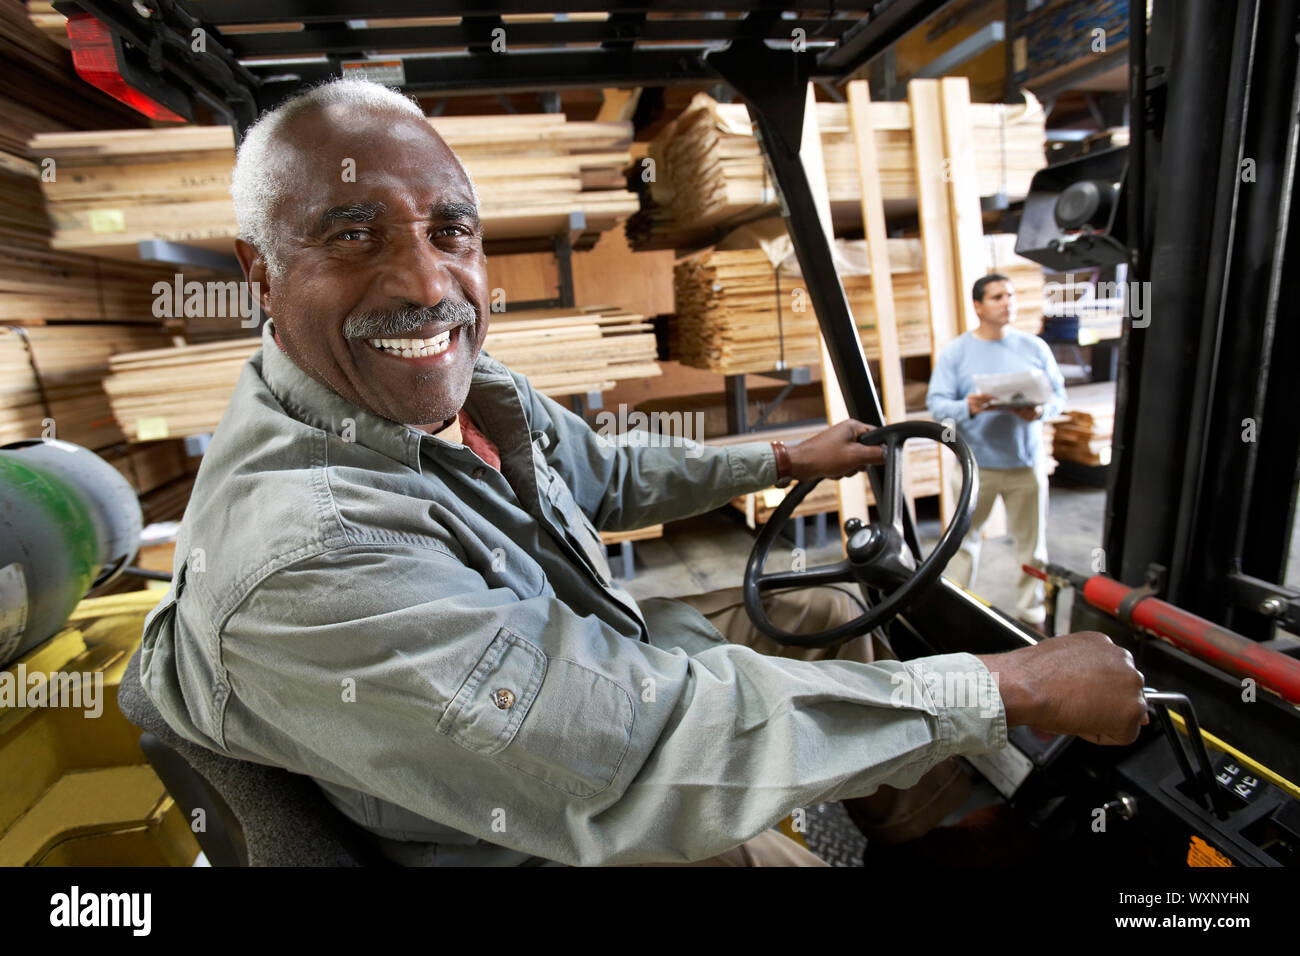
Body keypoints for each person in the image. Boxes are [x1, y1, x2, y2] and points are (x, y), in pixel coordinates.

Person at [139, 79, 1146, 867]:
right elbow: (634, 756)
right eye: (352, 234)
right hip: (527, 829)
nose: (424, 280)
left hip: (592, 658)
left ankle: (941, 836)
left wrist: (785, 451)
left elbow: (605, 471)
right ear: (259, 269)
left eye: (450, 230)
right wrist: (1003, 684)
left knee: (818, 608)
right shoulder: (312, 556)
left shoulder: (464, 391)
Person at [927, 274, 1068, 629]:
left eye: (1011, 295)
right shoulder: (957, 353)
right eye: (997, 297)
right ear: (977, 306)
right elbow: (937, 405)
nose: (1008, 302)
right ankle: (957, 607)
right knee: (962, 542)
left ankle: (1032, 614)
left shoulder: (1034, 348)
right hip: (977, 467)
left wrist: (1040, 411)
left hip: (1025, 465)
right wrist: (969, 407)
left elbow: (1059, 397)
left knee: (1032, 546)